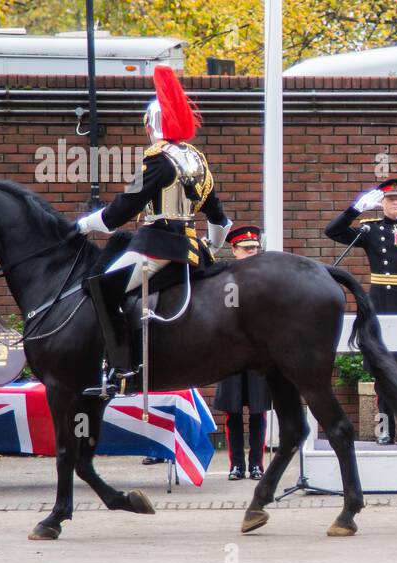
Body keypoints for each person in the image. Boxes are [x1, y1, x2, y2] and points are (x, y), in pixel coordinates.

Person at [75, 65, 231, 397]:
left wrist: (83, 224)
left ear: (150, 125)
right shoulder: (197, 159)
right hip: (194, 248)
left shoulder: (157, 160)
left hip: (156, 246)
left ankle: (120, 369)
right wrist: (211, 249)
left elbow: (118, 213)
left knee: (102, 288)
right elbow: (220, 219)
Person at [324, 178, 397, 445]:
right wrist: (355, 210)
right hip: (381, 305)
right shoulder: (369, 230)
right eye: (389, 199)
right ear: (381, 203)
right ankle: (384, 427)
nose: (395, 203)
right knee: (383, 371)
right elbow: (333, 231)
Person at [213, 225, 272, 480]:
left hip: (258, 353)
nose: (252, 253)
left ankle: (256, 464)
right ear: (234, 250)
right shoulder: (226, 277)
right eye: (247, 249)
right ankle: (236, 464)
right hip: (231, 352)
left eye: (255, 249)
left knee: (258, 411)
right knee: (233, 412)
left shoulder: (267, 278)